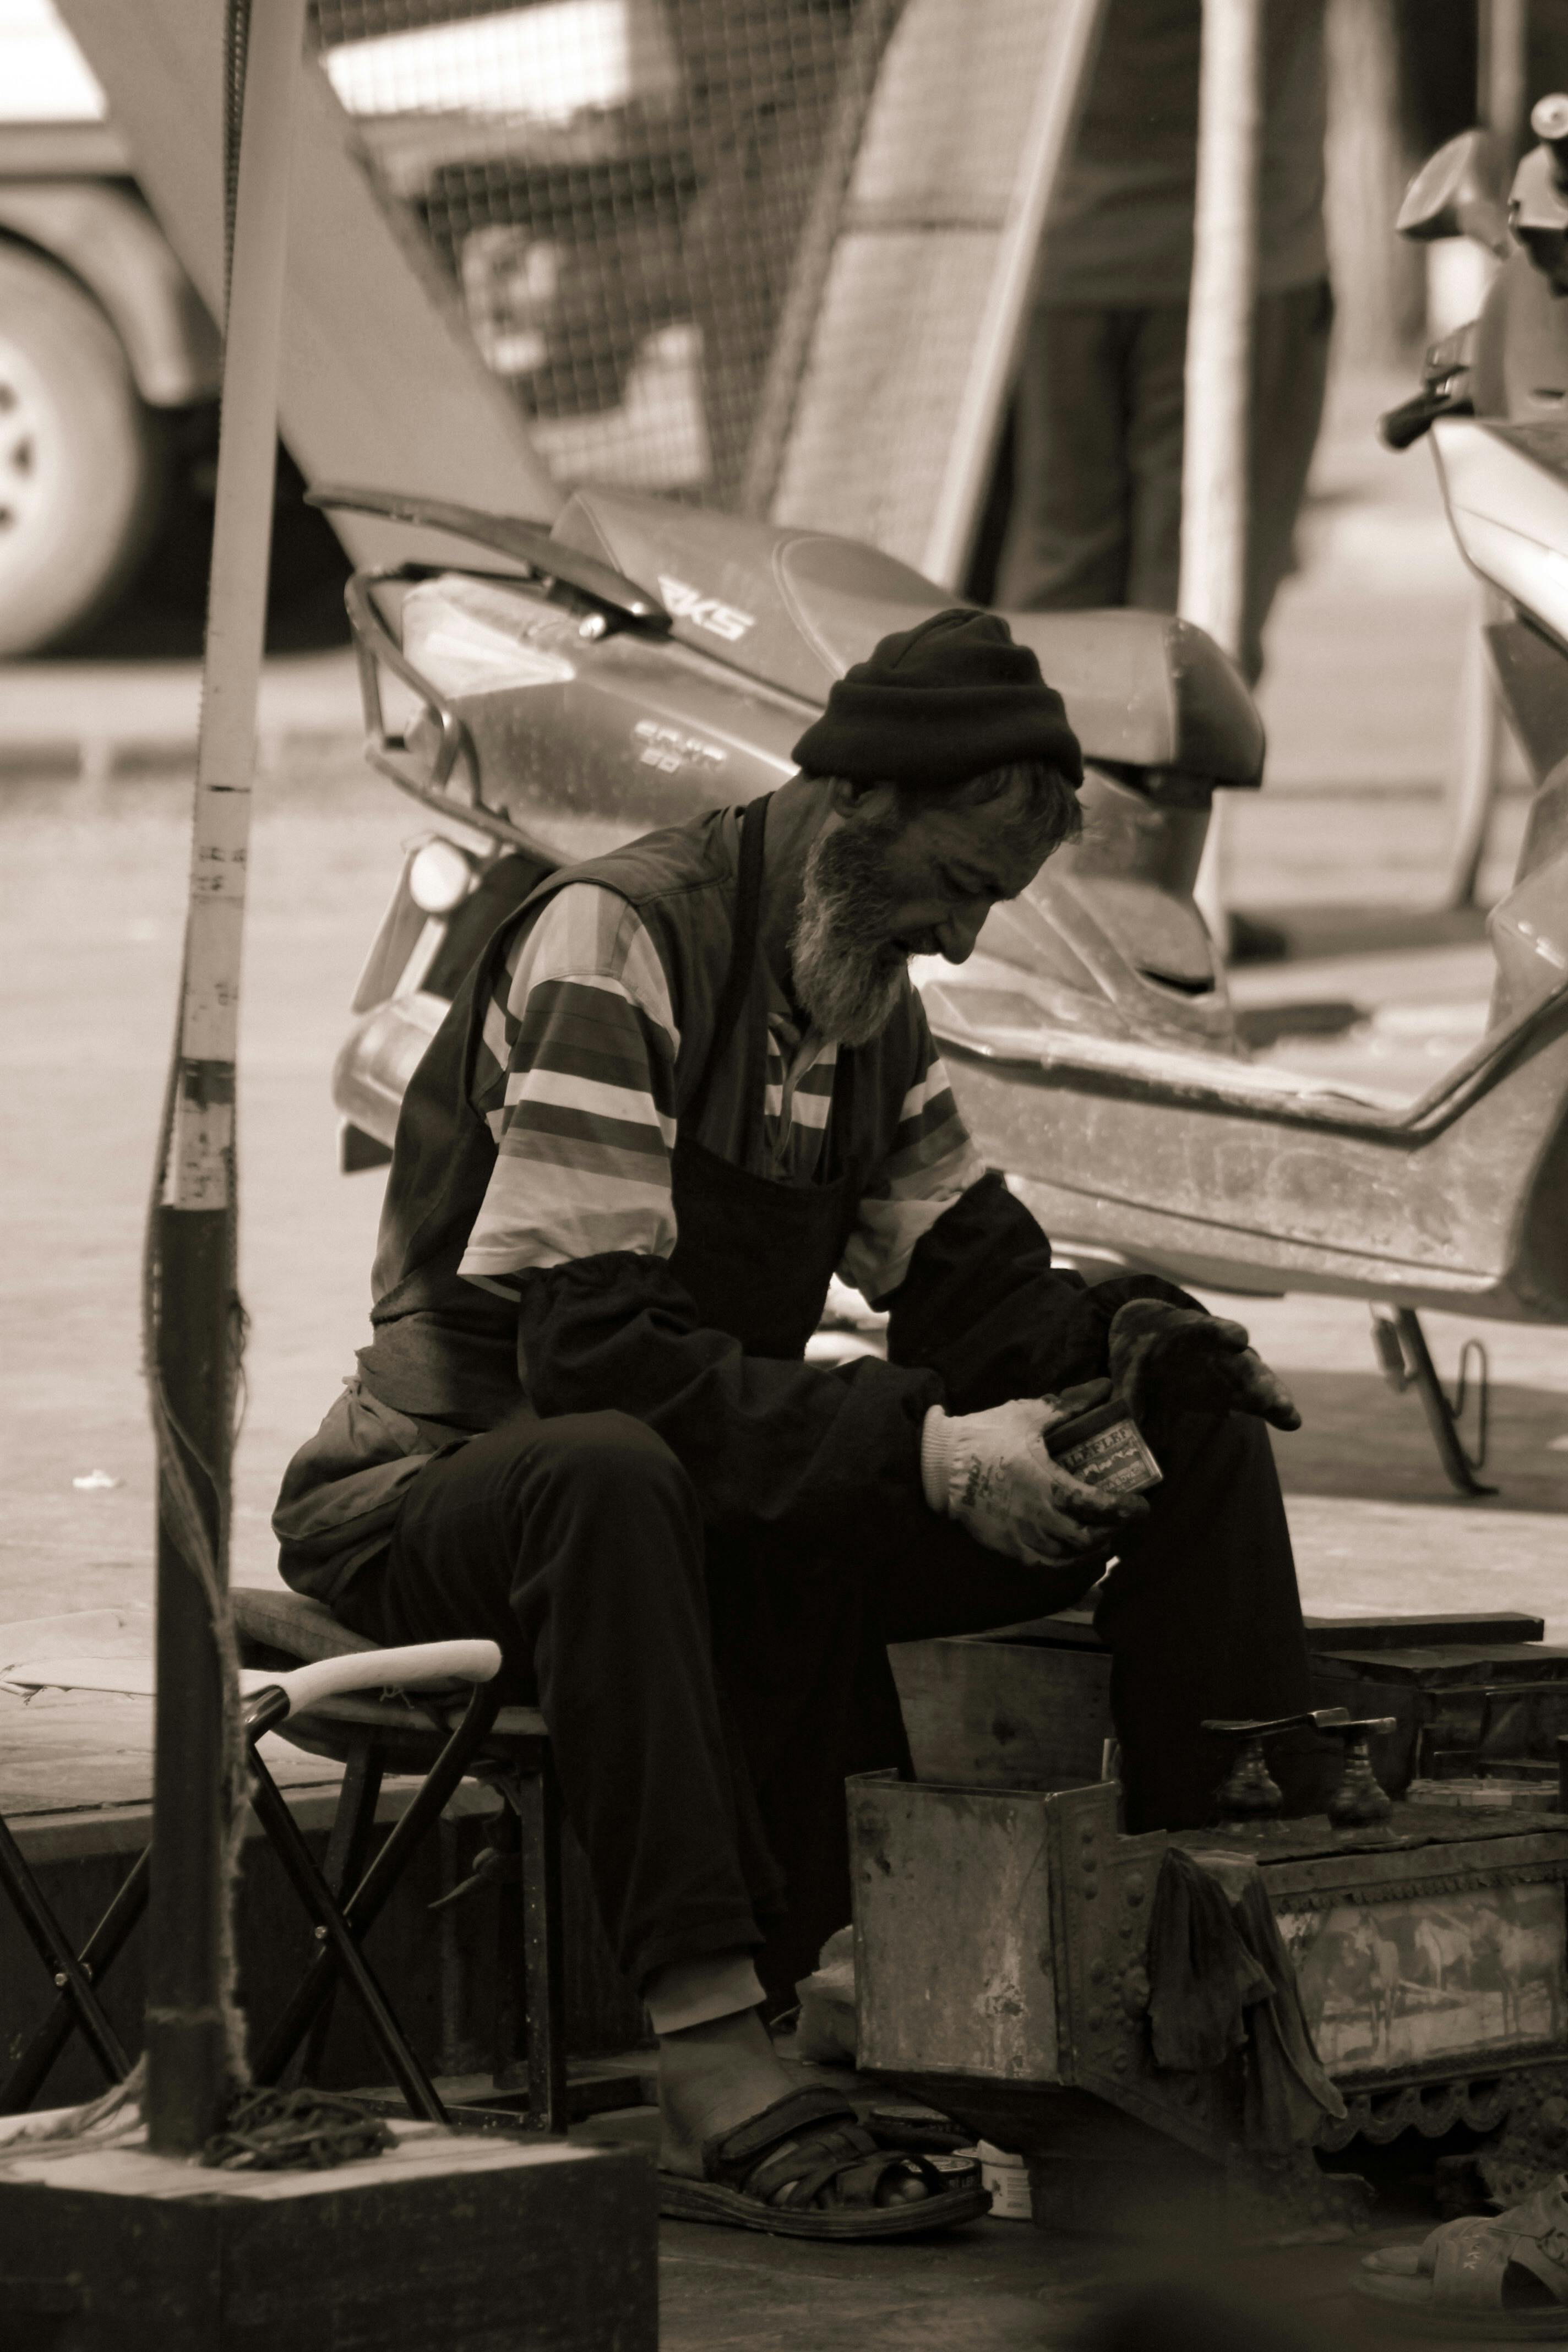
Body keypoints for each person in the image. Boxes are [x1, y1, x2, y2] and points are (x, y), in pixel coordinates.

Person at [274, 610, 1314, 2237]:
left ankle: (1193, 1984)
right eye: (958, 889)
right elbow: (596, 1360)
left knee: (1191, 1433)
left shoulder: (861, 1011)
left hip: (686, 1495)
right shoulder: (617, 941)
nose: (961, 941)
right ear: (863, 803)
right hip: (450, 1489)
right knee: (620, 1475)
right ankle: (707, 2055)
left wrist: (1130, 1345)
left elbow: (976, 1291)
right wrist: (918, 1444)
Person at [999, 0, 1330, 685]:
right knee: (1191, 610)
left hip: (1085, 244)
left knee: (1079, 589)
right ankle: (1115, 782)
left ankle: (1044, 780)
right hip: (1227, 257)